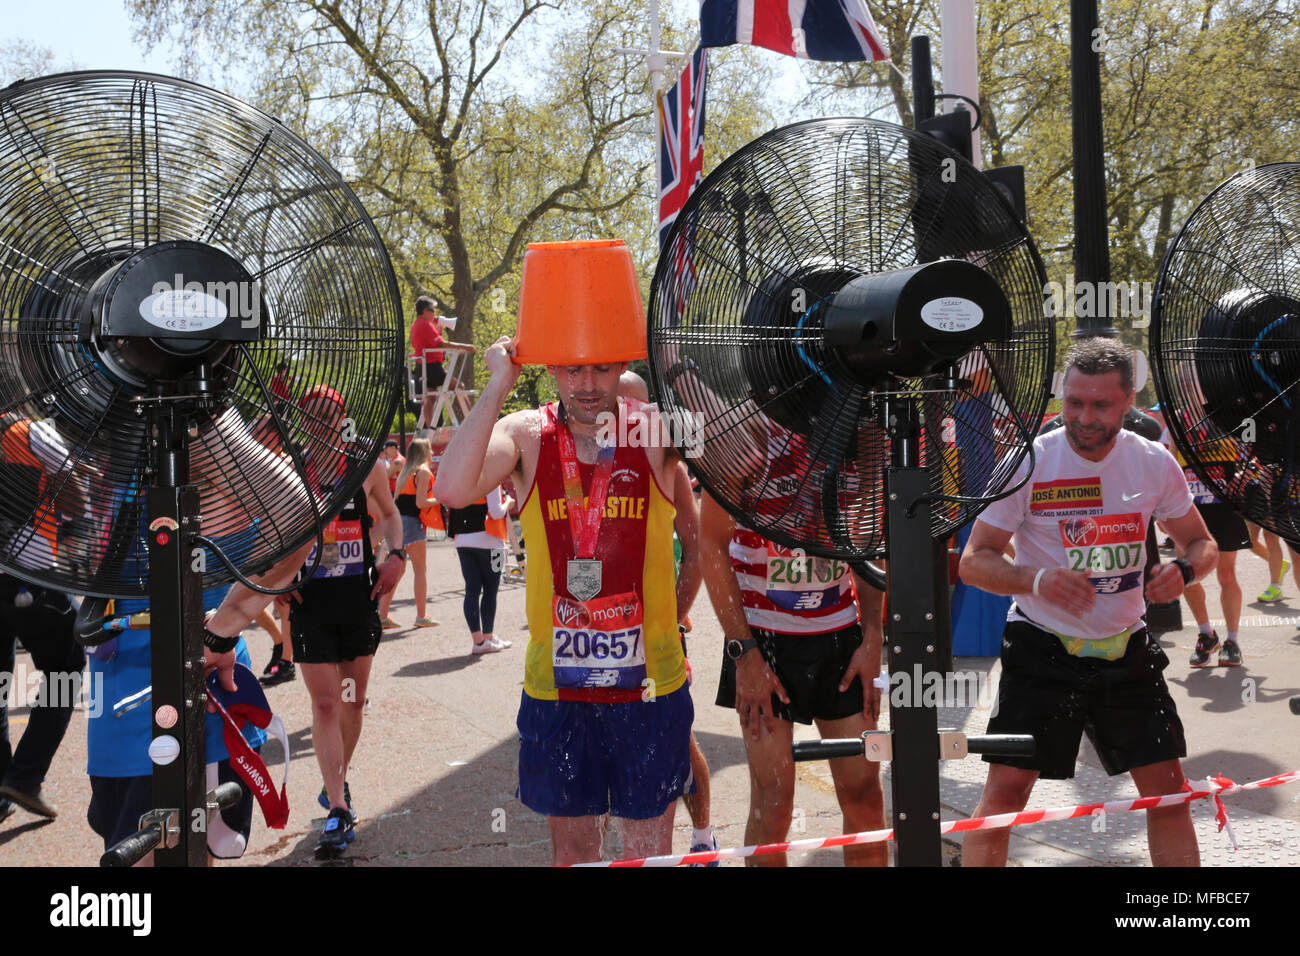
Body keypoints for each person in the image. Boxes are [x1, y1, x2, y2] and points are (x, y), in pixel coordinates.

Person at [435, 338, 696, 865]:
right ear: (551, 366)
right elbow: (452, 489)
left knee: (648, 852)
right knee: (574, 851)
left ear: (623, 363)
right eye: (573, 369)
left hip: (649, 689)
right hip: (559, 691)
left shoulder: (654, 430)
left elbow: (743, 444)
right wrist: (498, 383)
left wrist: (671, 355)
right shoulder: (526, 433)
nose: (588, 384)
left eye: (603, 366)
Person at [958, 337, 1216, 867]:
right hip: (1042, 648)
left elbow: (1202, 542)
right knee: (1005, 798)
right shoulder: (1029, 462)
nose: (1083, 417)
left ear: (1128, 403)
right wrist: (1035, 579)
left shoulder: (1152, 462)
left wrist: (1184, 571)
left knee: (1168, 796)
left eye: (1101, 405)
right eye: (1073, 402)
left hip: (1127, 650)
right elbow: (974, 560)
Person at [277, 385, 406, 858]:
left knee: (353, 700)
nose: (322, 422)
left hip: (358, 599)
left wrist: (397, 556)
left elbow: (392, 515)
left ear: (343, 416)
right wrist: (275, 576)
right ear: (303, 421)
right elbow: (268, 528)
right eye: (312, 415)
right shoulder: (289, 469)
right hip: (311, 603)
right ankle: (337, 805)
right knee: (327, 704)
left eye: (330, 413)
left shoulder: (366, 465)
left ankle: (339, 782)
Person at [616, 368, 715, 861]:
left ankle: (702, 836)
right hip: (597, 638)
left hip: (658, 634)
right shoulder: (579, 458)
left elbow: (697, 552)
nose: (627, 417)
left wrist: (674, 618)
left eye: (637, 407)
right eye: (619, 406)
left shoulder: (668, 465)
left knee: (677, 738)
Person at [0, 413, 87, 823]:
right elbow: (76, 501)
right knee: (66, 668)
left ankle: (6, 784)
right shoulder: (29, 430)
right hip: (29, 574)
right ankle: (25, 775)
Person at [378, 437, 437, 629]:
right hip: (412, 523)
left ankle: (382, 614)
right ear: (424, 452)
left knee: (398, 569)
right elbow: (421, 503)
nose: (433, 453)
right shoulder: (423, 471)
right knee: (420, 570)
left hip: (398, 523)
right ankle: (421, 615)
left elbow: (397, 498)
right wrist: (440, 499)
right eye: (430, 449)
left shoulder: (404, 471)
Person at [447, 485, 513, 654]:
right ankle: (487, 637)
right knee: (491, 591)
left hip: (462, 540)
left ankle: (480, 641)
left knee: (472, 590)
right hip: (493, 541)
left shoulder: (461, 475)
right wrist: (508, 502)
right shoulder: (492, 477)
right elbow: (496, 512)